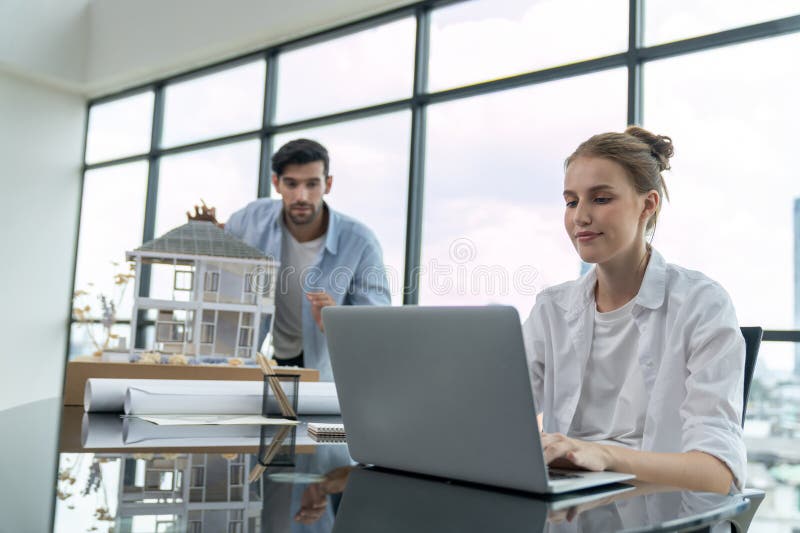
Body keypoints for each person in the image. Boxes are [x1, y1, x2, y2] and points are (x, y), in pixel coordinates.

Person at [522, 126, 746, 495]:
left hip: (666, 510)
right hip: (575, 510)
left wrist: (601, 454)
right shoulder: (552, 310)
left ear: (648, 205)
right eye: (571, 201)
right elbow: (496, 419)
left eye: (601, 199)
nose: (580, 217)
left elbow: (718, 472)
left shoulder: (701, 305)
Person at [189, 139, 390, 381]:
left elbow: (378, 328)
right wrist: (205, 232)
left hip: (327, 369)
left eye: (312, 184)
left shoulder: (360, 241)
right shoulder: (252, 219)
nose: (301, 196)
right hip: (272, 358)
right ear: (276, 183)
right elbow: (223, 243)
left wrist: (336, 322)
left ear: (328, 184)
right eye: (291, 184)